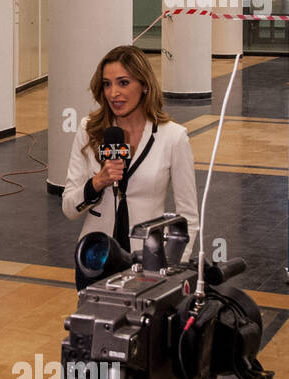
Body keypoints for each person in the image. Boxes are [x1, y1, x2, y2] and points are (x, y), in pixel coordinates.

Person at [62, 45, 199, 288]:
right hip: (95, 261)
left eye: (123, 83)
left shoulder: (173, 137)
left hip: (149, 264)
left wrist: (171, 268)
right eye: (107, 84)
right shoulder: (88, 130)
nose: (113, 93)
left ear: (144, 85)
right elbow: (69, 208)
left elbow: (187, 216)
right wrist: (97, 183)